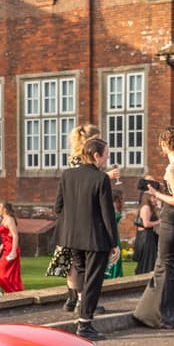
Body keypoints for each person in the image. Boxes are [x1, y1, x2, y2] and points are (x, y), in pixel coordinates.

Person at [48, 124, 121, 311]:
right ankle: (84, 310)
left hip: (70, 231)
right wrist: (114, 242)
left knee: (78, 268)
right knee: (89, 272)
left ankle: (78, 303)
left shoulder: (69, 171)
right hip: (90, 230)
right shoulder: (95, 174)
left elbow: (58, 206)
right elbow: (103, 208)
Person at [133, 126, 174, 330]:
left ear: (165, 144)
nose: (161, 148)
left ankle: (154, 315)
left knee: (163, 265)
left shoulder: (172, 167)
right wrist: (163, 188)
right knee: (171, 265)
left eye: (161, 144)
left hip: (171, 218)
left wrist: (157, 195)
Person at [0, 200, 23, 293]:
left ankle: (12, 292)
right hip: (6, 248)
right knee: (4, 274)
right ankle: (11, 292)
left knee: (2, 274)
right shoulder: (3, 219)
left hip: (11, 249)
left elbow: (15, 235)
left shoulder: (10, 219)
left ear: (5, 209)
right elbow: (6, 238)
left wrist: (13, 251)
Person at [132, 190, 159, 275]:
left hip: (148, 235)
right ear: (148, 197)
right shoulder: (146, 207)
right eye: (153, 197)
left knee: (150, 260)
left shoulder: (149, 207)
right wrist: (159, 221)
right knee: (147, 260)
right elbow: (146, 224)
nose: (155, 199)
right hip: (145, 236)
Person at [104, 190, 125, 279]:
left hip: (115, 235)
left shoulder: (112, 206)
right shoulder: (111, 206)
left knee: (116, 259)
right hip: (111, 236)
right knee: (112, 259)